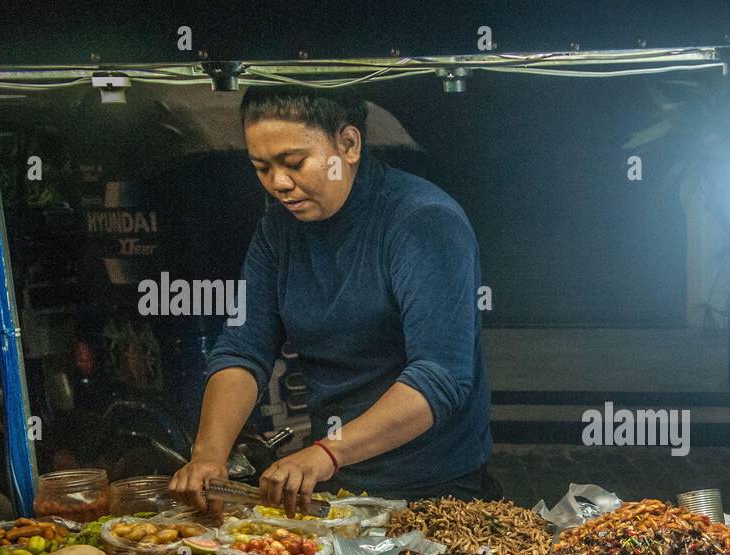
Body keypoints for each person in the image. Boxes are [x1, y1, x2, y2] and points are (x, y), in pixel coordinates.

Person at [168, 86, 495, 516]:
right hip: (338, 489)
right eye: (261, 167)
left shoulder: (422, 221)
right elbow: (242, 349)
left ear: (348, 144)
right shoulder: (277, 232)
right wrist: (208, 455)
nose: (279, 184)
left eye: (293, 163)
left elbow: (439, 377)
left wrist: (326, 453)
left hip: (441, 494)